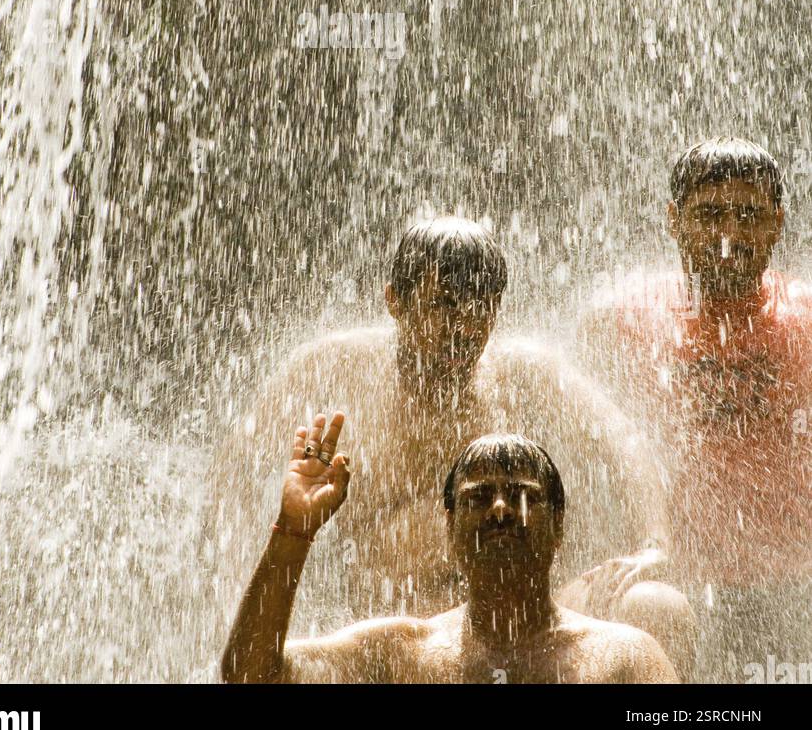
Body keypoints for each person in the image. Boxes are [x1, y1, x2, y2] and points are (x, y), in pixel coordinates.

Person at [217, 216, 683, 658]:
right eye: (445, 303)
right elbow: (234, 474)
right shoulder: (331, 370)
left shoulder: (526, 374)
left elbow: (623, 444)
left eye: (482, 305)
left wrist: (652, 544)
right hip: (391, 635)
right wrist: (234, 581)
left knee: (657, 605)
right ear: (395, 301)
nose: (464, 325)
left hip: (526, 624)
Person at [578, 137, 812, 682]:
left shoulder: (806, 324)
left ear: (776, 223)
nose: (728, 235)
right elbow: (587, 448)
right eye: (709, 215)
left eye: (748, 215)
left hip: (793, 584)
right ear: (674, 219)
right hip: (663, 580)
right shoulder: (619, 321)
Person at [221, 413, 679, 683]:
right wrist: (293, 533)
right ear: (450, 528)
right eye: (479, 497)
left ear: (558, 526)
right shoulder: (402, 654)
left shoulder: (623, 658)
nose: (500, 508)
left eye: (522, 495)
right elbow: (249, 675)